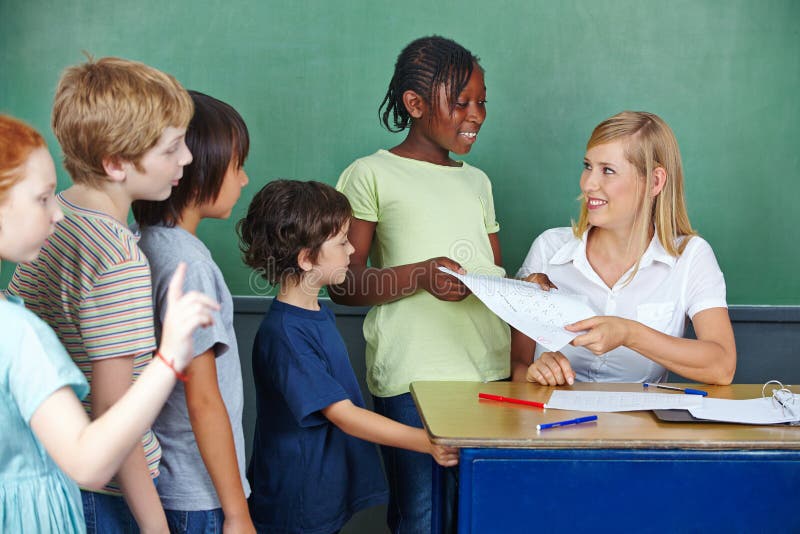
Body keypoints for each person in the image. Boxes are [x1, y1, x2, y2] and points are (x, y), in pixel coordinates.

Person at [0, 114, 218, 533]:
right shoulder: (16, 331)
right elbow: (89, 463)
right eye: (43, 199)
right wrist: (168, 359)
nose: (58, 214)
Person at [330, 35, 509, 532]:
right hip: (414, 379)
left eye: (481, 102)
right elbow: (342, 283)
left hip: (488, 373)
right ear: (414, 104)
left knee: (476, 515)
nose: (476, 114)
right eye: (461, 103)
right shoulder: (371, 174)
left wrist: (523, 288)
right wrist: (419, 277)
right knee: (422, 518)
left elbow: (491, 276)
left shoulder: (478, 182)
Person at [237, 179, 458, 534]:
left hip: (318, 491)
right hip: (295, 502)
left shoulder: (313, 314)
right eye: (341, 242)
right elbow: (344, 415)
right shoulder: (285, 335)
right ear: (307, 259)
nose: (353, 249)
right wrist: (426, 443)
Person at [511, 111, 736, 386]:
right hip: (552, 423)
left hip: (642, 427)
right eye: (587, 166)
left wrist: (629, 333)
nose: (588, 184)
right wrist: (534, 372)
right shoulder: (549, 249)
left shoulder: (690, 256)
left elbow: (722, 366)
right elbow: (517, 368)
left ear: (655, 182)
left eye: (608, 170)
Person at [132, 90, 254, 533]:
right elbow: (203, 401)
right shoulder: (192, 265)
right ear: (197, 168)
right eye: (236, 165)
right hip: (198, 493)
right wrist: (237, 512)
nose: (243, 181)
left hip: (159, 482)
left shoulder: (139, 242)